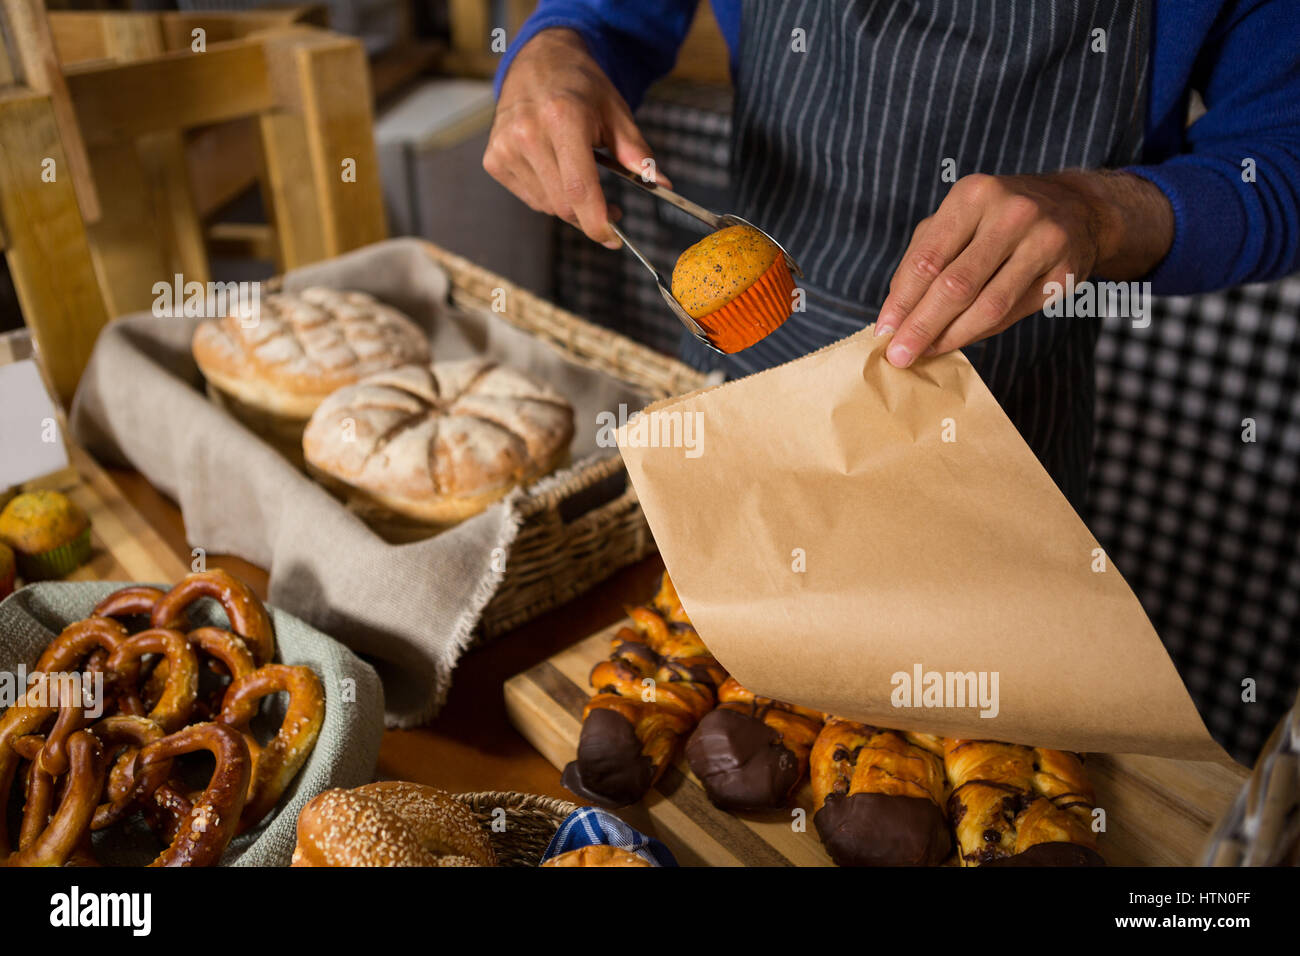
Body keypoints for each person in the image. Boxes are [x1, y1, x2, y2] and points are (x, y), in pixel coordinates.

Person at [484, 2, 1300, 509]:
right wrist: (561, 41)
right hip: (763, 369)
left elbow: (1283, 154)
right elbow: (607, 12)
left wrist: (1103, 213)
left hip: (1009, 419)